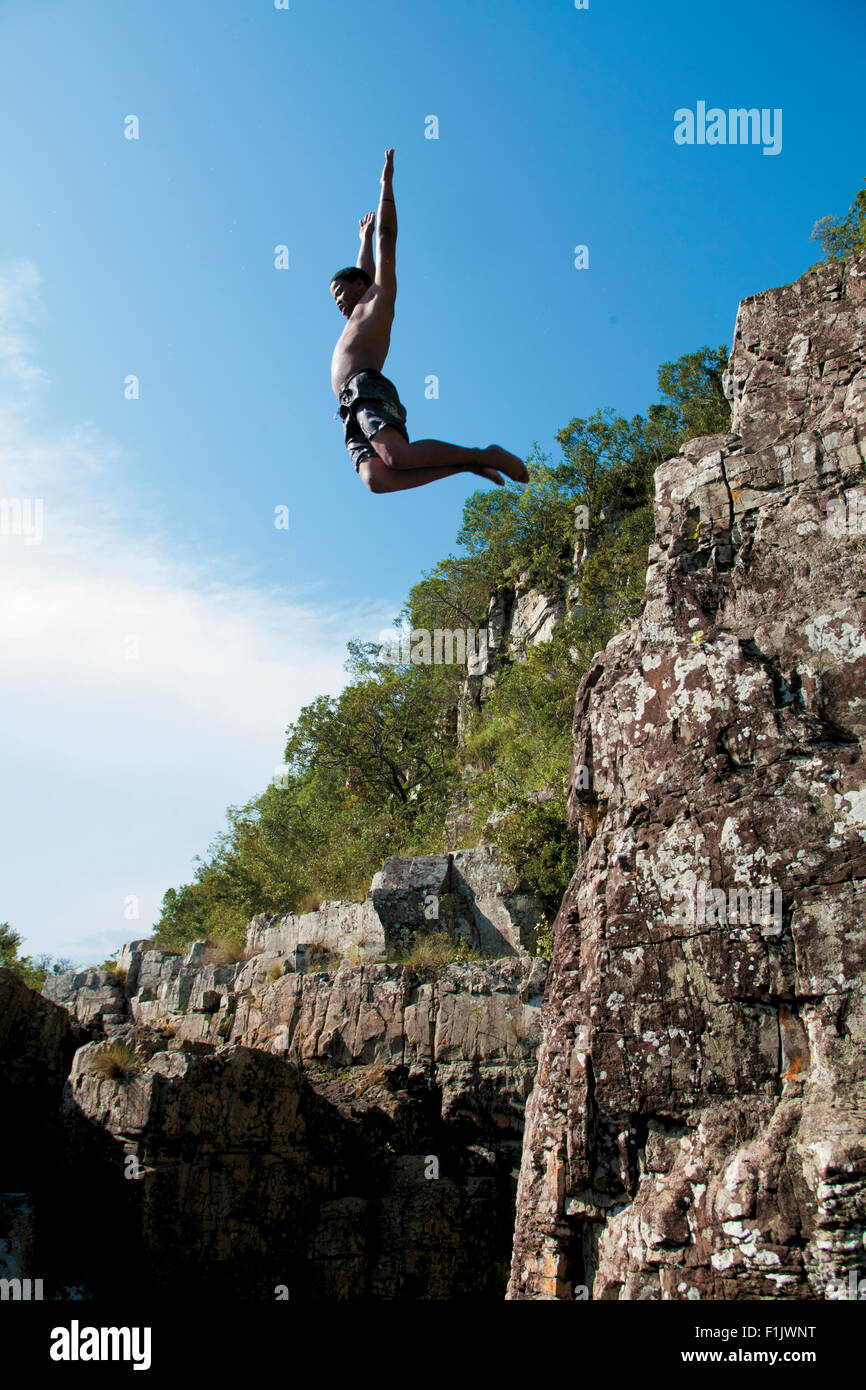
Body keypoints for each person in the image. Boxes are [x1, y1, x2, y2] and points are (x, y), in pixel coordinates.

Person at [330, 149, 530, 494]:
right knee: (377, 479)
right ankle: (469, 464)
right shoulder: (358, 311)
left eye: (339, 292)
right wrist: (361, 239)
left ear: (360, 286)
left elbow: (386, 239)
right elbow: (363, 266)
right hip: (348, 406)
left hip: (365, 387)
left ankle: (483, 455)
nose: (336, 301)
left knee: (397, 458)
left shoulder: (378, 297)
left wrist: (386, 184)